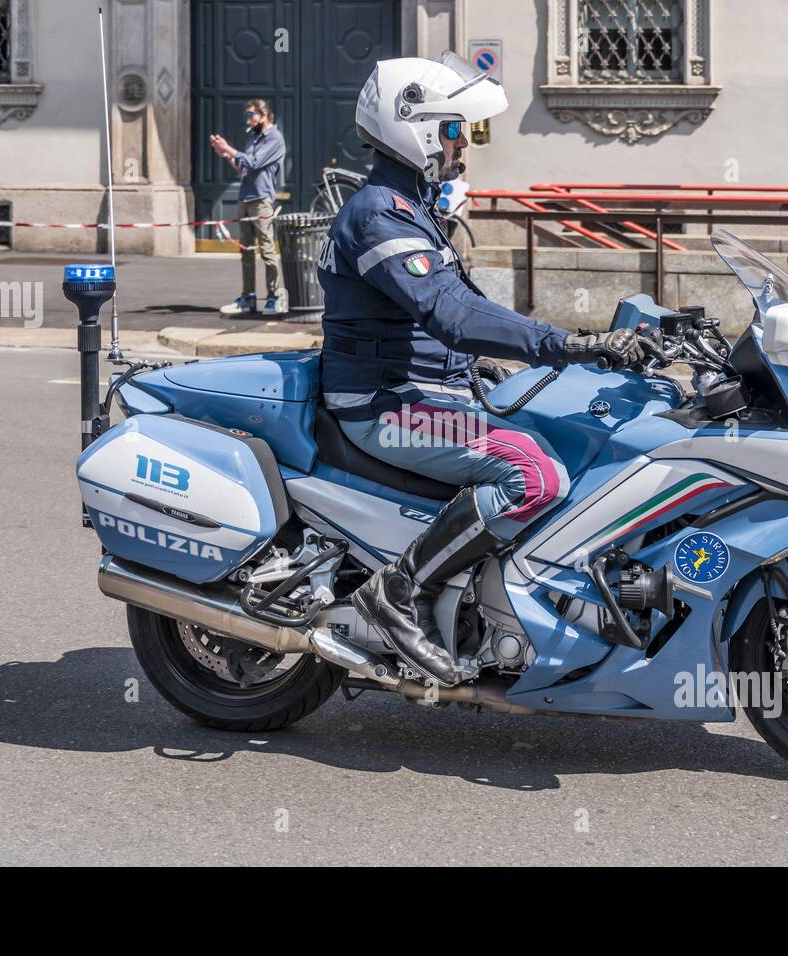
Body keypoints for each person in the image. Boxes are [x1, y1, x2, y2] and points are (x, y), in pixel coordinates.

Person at [317, 54, 644, 687]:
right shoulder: (379, 213)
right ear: (413, 128)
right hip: (385, 407)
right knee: (534, 475)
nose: (462, 143)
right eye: (451, 130)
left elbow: (450, 321)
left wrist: (491, 366)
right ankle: (397, 593)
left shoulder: (411, 207)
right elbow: (452, 315)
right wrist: (570, 343)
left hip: (426, 391)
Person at [211, 100, 289, 315]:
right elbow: (243, 167)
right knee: (246, 250)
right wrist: (226, 155)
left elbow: (254, 162)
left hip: (261, 199)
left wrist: (229, 148)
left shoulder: (275, 138)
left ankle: (273, 297)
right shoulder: (253, 137)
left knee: (266, 249)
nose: (248, 120)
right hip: (245, 197)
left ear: (264, 114)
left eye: (250, 114)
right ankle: (248, 298)